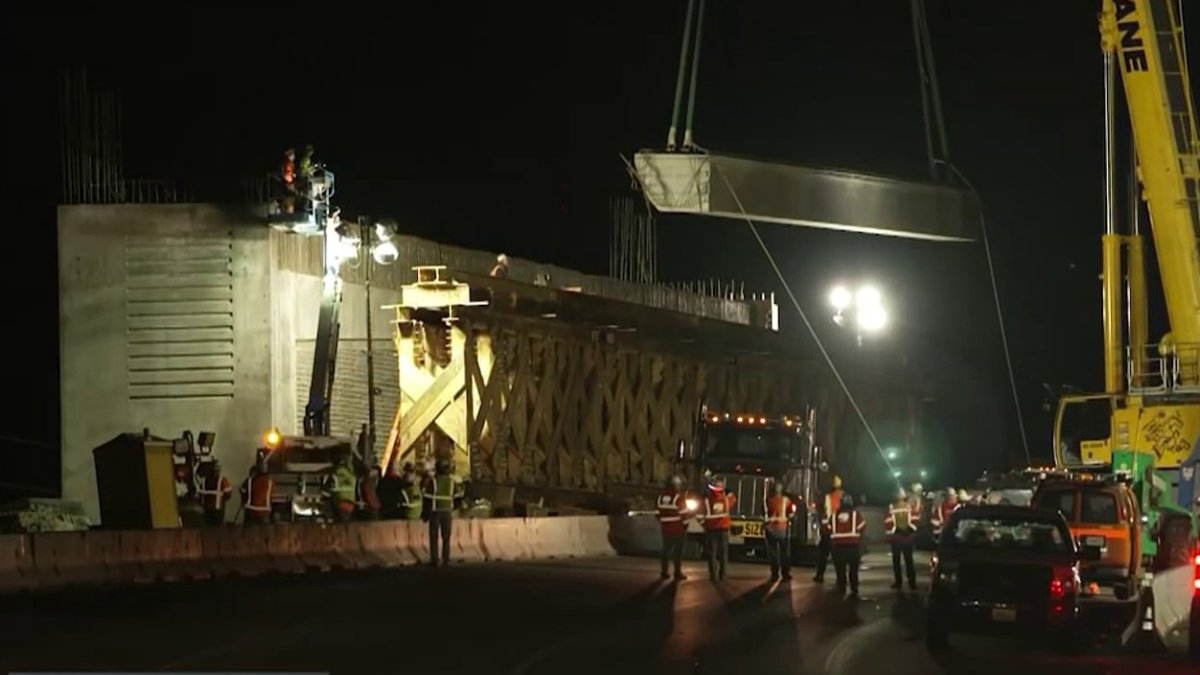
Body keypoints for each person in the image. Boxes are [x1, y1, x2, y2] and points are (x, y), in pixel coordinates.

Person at [422, 459, 461, 566]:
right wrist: (453, 507)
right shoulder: (452, 482)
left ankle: (434, 559)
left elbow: (427, 498)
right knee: (446, 536)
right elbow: (458, 498)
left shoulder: (433, 481)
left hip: (435, 512)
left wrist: (425, 513)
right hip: (447, 512)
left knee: (434, 536)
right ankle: (446, 558)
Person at [701, 474, 736, 582]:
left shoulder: (707, 501)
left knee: (712, 553)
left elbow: (700, 514)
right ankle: (723, 575)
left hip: (711, 529)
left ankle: (713, 576)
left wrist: (704, 524)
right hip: (723, 530)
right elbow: (733, 497)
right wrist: (727, 489)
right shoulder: (726, 500)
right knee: (723, 553)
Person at [830, 493, 866, 598]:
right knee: (853, 570)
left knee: (840, 570)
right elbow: (862, 526)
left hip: (838, 547)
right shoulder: (856, 514)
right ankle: (854, 589)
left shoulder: (834, 515)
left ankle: (841, 588)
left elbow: (827, 528)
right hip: (853, 546)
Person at [656, 475, 690, 580]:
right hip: (678, 529)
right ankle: (677, 573)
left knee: (666, 551)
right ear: (676, 485)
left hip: (665, 529)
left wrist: (664, 522)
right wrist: (685, 525)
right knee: (678, 553)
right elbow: (684, 513)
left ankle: (664, 572)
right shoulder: (678, 497)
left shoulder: (660, 498)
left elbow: (657, 513)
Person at [884, 488, 918, 591]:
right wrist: (910, 529)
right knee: (909, 561)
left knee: (896, 561)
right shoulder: (910, 507)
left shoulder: (891, 508)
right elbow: (915, 520)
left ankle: (898, 582)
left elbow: (887, 522)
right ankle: (912, 583)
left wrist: (895, 530)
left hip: (896, 539)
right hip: (907, 538)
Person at [763, 480, 796, 581]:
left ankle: (775, 574)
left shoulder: (768, 500)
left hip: (771, 528)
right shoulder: (786, 500)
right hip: (782, 528)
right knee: (784, 552)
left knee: (773, 553)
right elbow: (791, 512)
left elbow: (764, 513)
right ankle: (785, 573)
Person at [813, 474, 844, 583]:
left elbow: (821, 512)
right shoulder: (843, 496)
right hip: (839, 532)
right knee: (838, 557)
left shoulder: (827, 497)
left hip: (827, 531)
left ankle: (820, 575)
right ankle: (840, 579)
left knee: (822, 555)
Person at [197, 460, 232, 526]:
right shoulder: (222, 480)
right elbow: (228, 494)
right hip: (218, 509)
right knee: (217, 527)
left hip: (206, 508)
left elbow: (200, 494)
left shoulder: (204, 481)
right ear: (218, 471)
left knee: (207, 527)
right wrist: (222, 500)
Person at [240, 458, 273, 525]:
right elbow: (272, 494)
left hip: (250, 510)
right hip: (264, 511)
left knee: (249, 533)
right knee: (264, 533)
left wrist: (244, 500)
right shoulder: (270, 482)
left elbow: (242, 490)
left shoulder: (249, 480)